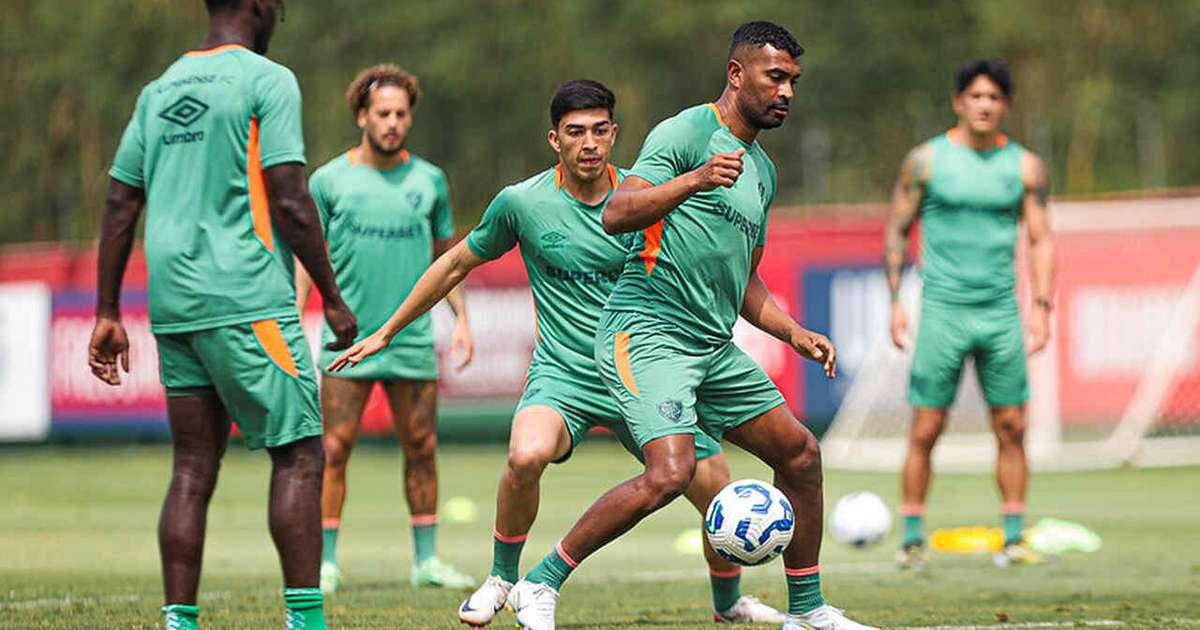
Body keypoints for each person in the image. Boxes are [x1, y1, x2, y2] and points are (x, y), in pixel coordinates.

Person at [444, 21, 876, 630]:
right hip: (645, 333)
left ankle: (808, 610)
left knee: (801, 454)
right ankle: (540, 581)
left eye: (793, 82)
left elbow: (745, 281)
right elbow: (618, 212)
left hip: (710, 345)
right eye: (774, 77)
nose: (786, 92)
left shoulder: (762, 172)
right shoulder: (684, 132)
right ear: (736, 74)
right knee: (671, 471)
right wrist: (695, 179)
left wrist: (792, 331)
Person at [329, 79, 787, 626]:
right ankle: (503, 578)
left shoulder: (648, 200)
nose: (589, 143)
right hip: (565, 374)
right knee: (525, 455)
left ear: (615, 134)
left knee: (717, 493)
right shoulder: (522, 204)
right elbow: (454, 264)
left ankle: (727, 602)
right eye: (576, 133)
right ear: (555, 140)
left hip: (644, 366)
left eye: (599, 131)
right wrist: (386, 331)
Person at [87, 1, 357, 628]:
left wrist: (107, 309)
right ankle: (307, 622)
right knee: (300, 454)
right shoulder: (266, 79)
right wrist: (333, 297)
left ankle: (179, 621)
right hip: (248, 299)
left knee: (190, 469)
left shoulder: (159, 89)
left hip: (174, 307)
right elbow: (291, 198)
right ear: (260, 5)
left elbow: (120, 200)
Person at [296, 64, 475, 594]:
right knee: (334, 447)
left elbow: (448, 259)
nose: (393, 123)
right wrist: (291, 317)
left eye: (401, 114)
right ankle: (325, 562)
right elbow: (308, 259)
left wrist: (462, 321)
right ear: (361, 116)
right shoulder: (328, 180)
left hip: (411, 337)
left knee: (421, 446)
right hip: (347, 339)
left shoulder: (430, 180)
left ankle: (426, 562)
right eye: (383, 114)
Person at [883, 58, 1056, 570]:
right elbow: (896, 229)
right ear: (959, 102)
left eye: (994, 98)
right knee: (926, 427)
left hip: (1001, 312)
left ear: (1006, 106)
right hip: (942, 311)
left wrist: (1043, 307)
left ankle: (1014, 538)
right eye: (976, 96)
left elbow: (1042, 239)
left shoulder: (1026, 167)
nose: (984, 105)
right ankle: (912, 539)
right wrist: (895, 300)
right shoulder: (926, 162)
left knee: (1012, 425)